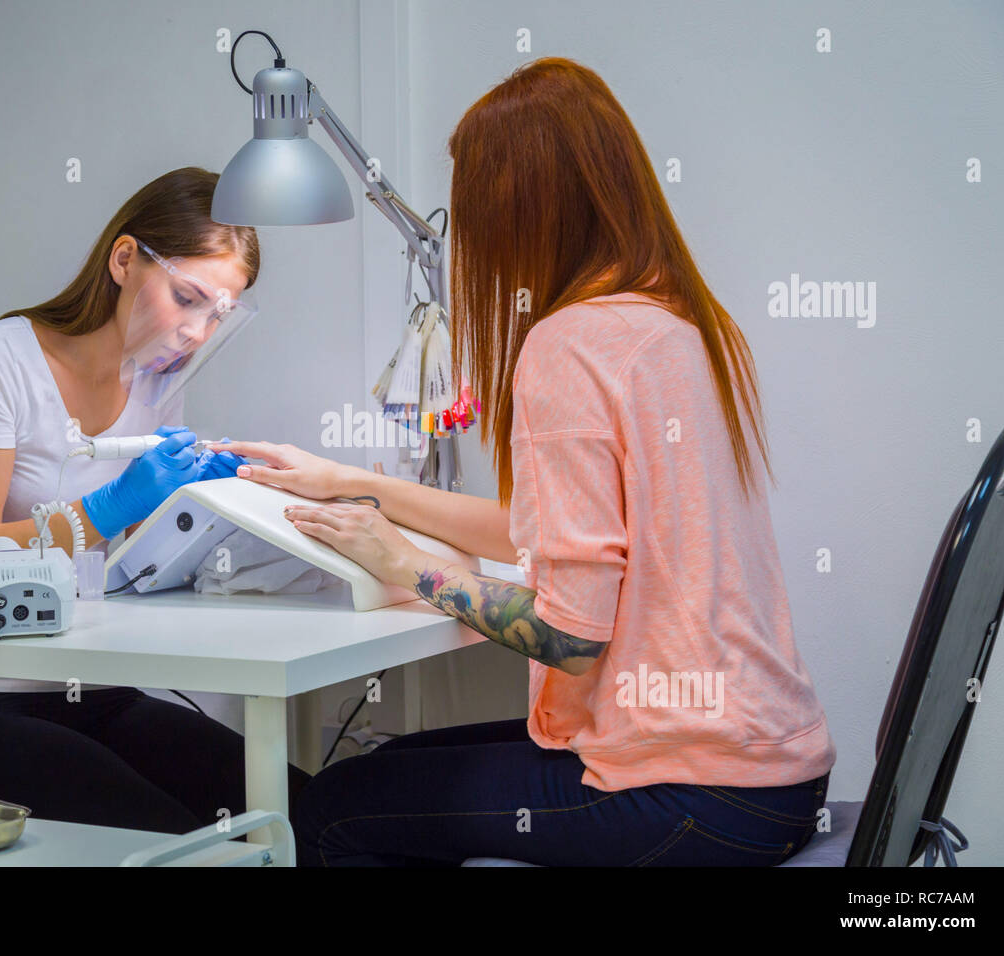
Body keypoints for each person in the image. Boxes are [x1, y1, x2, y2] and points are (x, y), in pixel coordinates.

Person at [213, 58, 835, 866]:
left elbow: (570, 637)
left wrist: (399, 563)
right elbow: (554, 537)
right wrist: (358, 484)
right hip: (772, 775)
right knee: (385, 767)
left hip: (692, 794)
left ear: (518, 211)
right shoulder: (684, 325)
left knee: (333, 810)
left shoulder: (569, 345)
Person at [0, 167, 309, 833]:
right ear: (125, 260)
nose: (196, 333)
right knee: (185, 843)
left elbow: (132, 568)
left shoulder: (156, 383)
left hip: (98, 687)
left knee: (296, 811)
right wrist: (108, 509)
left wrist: (206, 514)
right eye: (187, 299)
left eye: (218, 314)